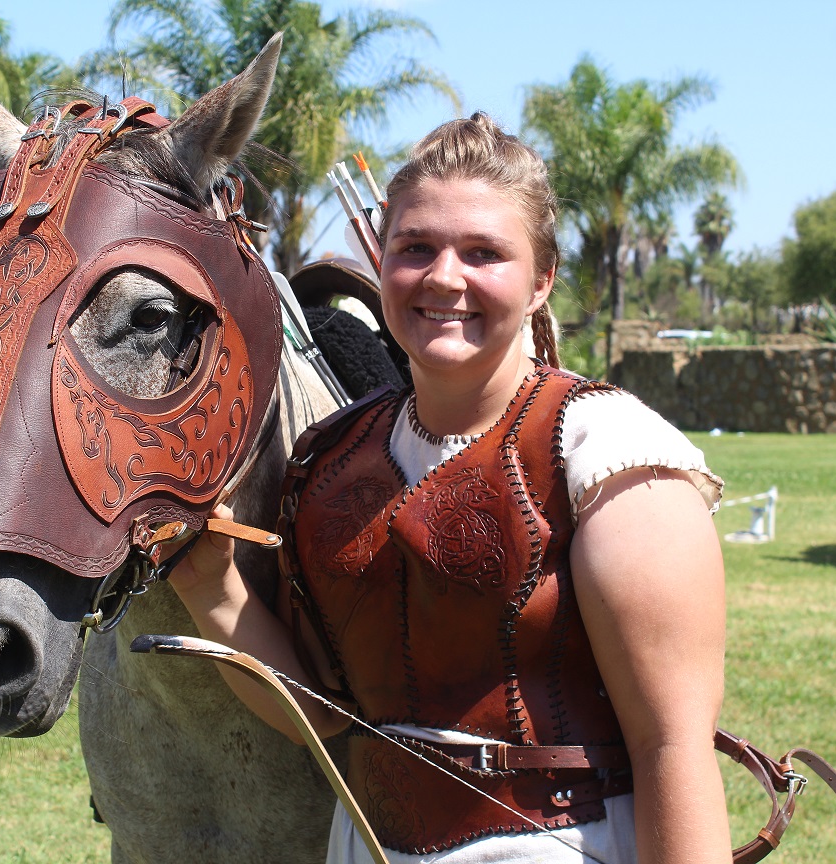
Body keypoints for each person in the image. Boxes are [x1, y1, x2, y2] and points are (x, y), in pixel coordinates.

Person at [168, 112, 731, 864]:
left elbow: (672, 748)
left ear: (542, 280)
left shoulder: (613, 455)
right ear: (382, 262)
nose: (443, 276)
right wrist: (215, 593)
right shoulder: (331, 458)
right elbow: (327, 717)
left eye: (483, 253)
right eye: (415, 248)